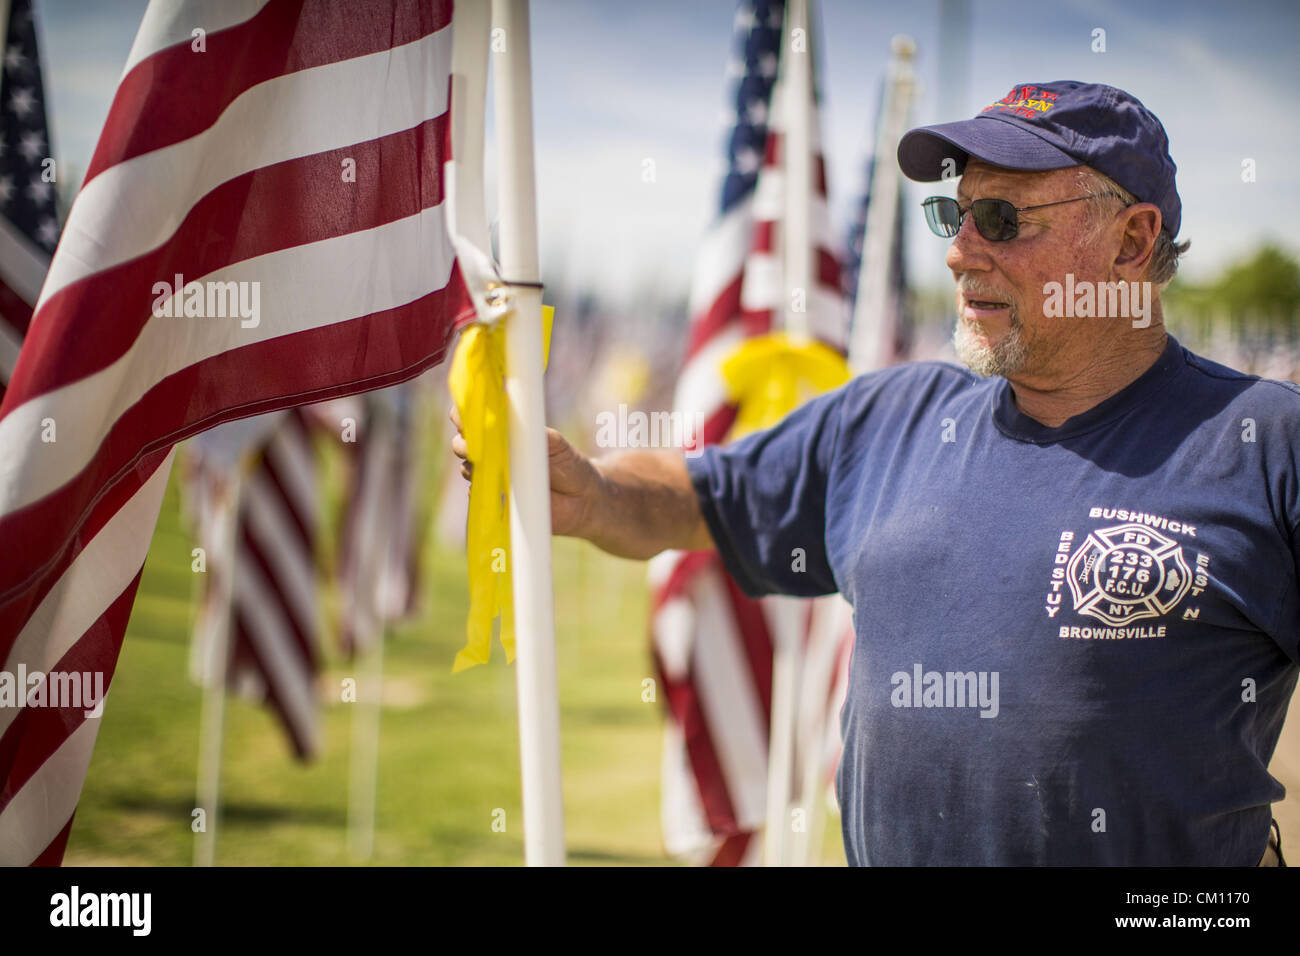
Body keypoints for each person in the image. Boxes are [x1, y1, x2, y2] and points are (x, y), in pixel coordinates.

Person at [452, 81, 1299, 866]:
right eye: (953, 216)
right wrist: (592, 492)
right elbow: (705, 498)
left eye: (1002, 219)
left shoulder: (1263, 442)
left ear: (1133, 240)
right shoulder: (891, 418)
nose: (961, 254)